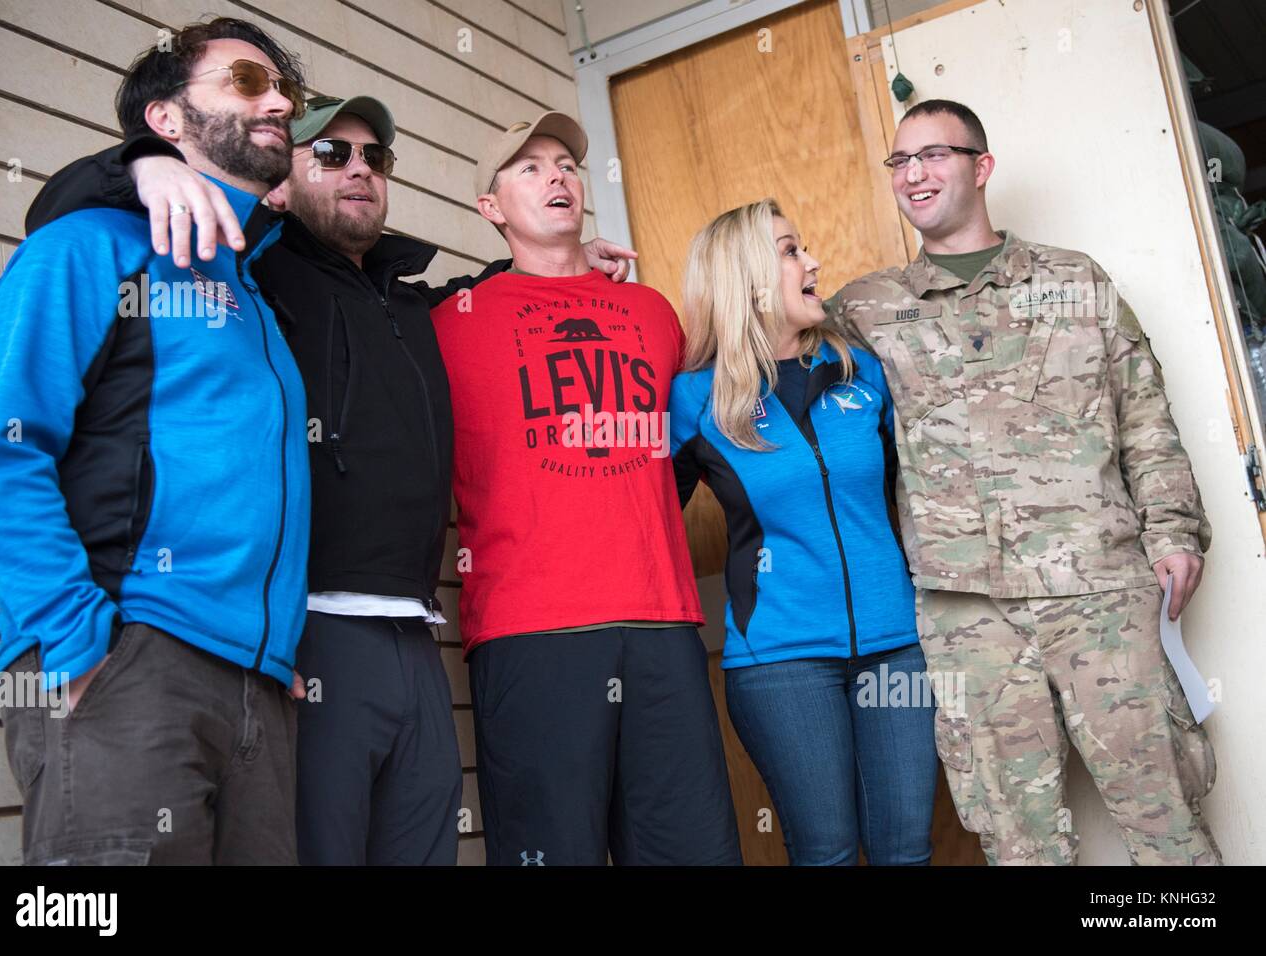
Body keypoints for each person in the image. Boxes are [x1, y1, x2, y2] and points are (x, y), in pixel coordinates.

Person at [25, 78, 637, 864]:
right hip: (306, 633)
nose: (359, 169)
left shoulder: (419, 306)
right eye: (332, 152)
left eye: (375, 157)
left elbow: (502, 291)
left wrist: (569, 258)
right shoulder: (256, 268)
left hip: (416, 636)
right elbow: (62, 212)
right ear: (281, 180)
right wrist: (140, 165)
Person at [827, 98, 1220, 865]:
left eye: (934, 155)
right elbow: (766, 347)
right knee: (1016, 838)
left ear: (982, 167)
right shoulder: (865, 311)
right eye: (901, 162)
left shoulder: (1076, 280)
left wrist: (1172, 530)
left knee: (1162, 812)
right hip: (965, 612)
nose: (915, 174)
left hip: (1099, 589)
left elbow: (1143, 412)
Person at [0, 18, 311, 864]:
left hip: (257, 684)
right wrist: (76, 643)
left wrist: (273, 651)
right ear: (165, 119)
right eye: (244, 81)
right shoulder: (84, 246)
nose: (278, 102)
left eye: (285, 92)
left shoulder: (258, 294)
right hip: (126, 659)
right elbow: (4, 449)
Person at [430, 111, 742, 865]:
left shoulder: (652, 311)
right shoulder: (446, 322)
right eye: (529, 168)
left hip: (661, 620)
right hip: (529, 629)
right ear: (491, 209)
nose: (558, 176)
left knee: (689, 849)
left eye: (566, 162)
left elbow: (689, 448)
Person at [670, 198, 936, 865]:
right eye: (791, 251)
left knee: (907, 851)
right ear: (750, 277)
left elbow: (923, 494)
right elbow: (641, 522)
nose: (813, 261)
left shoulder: (861, 372)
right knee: (826, 856)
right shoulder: (694, 401)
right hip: (780, 661)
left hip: (896, 646)